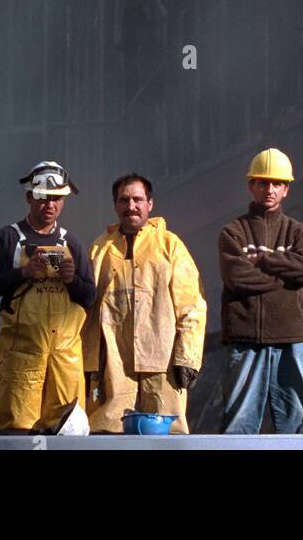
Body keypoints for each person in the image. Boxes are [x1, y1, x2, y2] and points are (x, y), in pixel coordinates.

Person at [0, 160, 96, 431]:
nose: (49, 205)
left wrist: (71, 279)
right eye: (42, 197)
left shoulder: (72, 243)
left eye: (56, 199)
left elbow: (89, 297)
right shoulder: (7, 238)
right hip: (22, 356)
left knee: (69, 431)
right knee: (17, 430)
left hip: (65, 359)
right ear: (29, 197)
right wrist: (23, 272)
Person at [83, 172, 206, 434]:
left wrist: (187, 357)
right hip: (113, 364)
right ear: (115, 205)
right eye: (124, 200)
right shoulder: (99, 249)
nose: (131, 206)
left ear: (150, 203)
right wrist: (87, 363)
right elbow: (86, 312)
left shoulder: (170, 246)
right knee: (108, 431)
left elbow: (192, 305)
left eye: (138, 199)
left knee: (165, 434)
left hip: (163, 362)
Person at [218, 147, 303, 434]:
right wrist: (284, 281)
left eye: (277, 183)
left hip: (291, 337)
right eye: (262, 182)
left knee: (298, 423)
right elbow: (237, 278)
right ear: (251, 185)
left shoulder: (300, 233)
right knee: (239, 424)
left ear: (287, 189)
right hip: (245, 337)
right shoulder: (232, 232)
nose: (269, 189)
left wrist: (262, 259)